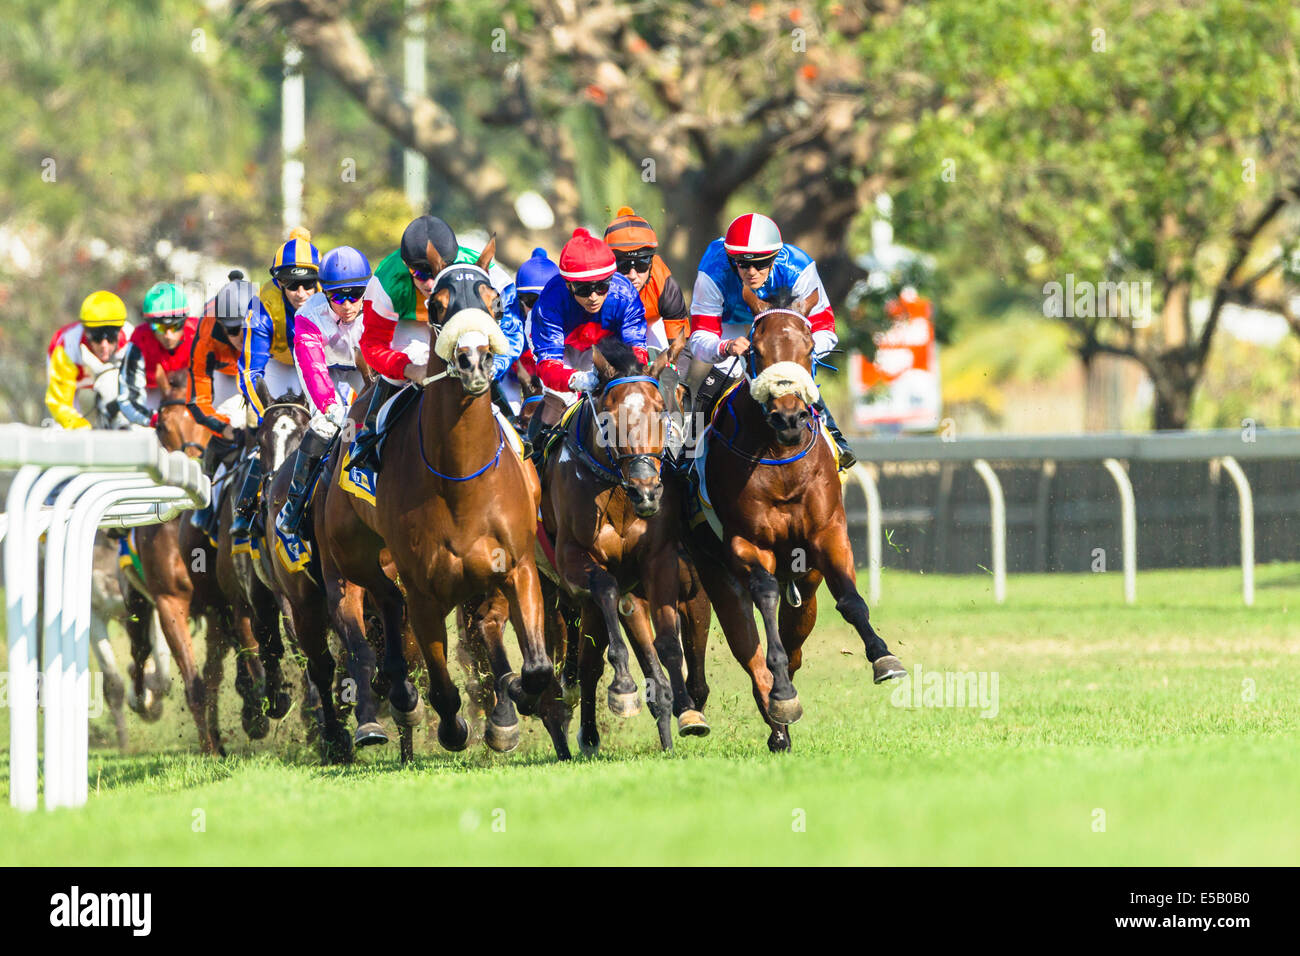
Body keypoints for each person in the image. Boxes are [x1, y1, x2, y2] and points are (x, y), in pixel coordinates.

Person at [687, 212, 857, 469]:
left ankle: (836, 438)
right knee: (717, 376)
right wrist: (725, 347)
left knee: (793, 370)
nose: (752, 272)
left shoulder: (798, 268)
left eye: (761, 263)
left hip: (782, 324)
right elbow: (699, 338)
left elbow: (826, 329)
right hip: (729, 322)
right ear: (731, 259)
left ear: (775, 257)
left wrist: (799, 353)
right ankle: (686, 456)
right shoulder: (714, 270)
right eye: (743, 264)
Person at [349, 214, 460, 472]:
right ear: (408, 268)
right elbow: (372, 346)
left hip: (453, 319)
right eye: (421, 274)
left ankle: (513, 425)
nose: (431, 283)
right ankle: (367, 438)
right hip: (405, 325)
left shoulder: (470, 266)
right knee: (408, 366)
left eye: (439, 272)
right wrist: (409, 370)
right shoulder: (387, 281)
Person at [525, 228, 648, 456]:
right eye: (583, 289)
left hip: (605, 343)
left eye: (601, 287)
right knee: (559, 398)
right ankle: (535, 459)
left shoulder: (625, 294)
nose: (593, 297)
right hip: (563, 346)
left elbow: (637, 351)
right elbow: (548, 367)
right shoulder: (549, 302)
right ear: (568, 285)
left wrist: (620, 374)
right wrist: (577, 379)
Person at [275, 246, 372, 536]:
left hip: (361, 362)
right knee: (329, 422)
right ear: (324, 293)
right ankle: (294, 502)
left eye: (355, 293)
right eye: (337, 296)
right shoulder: (308, 316)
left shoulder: (379, 305)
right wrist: (330, 405)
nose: (347, 304)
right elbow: (315, 370)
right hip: (324, 366)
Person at [230, 227, 321, 535]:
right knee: (271, 434)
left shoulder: (330, 297)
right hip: (280, 366)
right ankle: (244, 510)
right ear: (277, 282)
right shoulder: (262, 306)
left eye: (308, 283)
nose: (301, 292)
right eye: (290, 283)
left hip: (320, 362)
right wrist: (266, 415)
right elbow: (250, 371)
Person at [187, 270, 259, 538]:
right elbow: (197, 400)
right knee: (230, 428)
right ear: (219, 326)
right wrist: (224, 428)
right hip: (225, 374)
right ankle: (207, 505)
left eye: (245, 327)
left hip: (260, 366)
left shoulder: (268, 320)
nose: (240, 336)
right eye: (231, 330)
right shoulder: (206, 334)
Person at [603, 206, 690, 354]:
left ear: (651, 262)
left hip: (651, 325)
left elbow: (682, 346)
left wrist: (673, 373)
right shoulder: (598, 283)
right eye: (623, 265)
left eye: (641, 264)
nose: (632, 274)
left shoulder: (664, 283)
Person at [45, 291, 131, 430]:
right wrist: (84, 431)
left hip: (112, 378)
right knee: (63, 428)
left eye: (111, 336)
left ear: (120, 330)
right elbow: (60, 404)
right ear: (85, 331)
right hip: (73, 378)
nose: (104, 345)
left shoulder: (132, 341)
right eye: (97, 336)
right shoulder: (66, 347)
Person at [118, 283, 198, 426]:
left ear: (184, 320)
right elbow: (128, 399)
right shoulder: (139, 340)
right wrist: (156, 421)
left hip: (194, 394)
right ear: (149, 325)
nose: (168, 335)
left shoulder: (199, 334)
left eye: (175, 326)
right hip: (152, 394)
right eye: (160, 327)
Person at [496, 247, 558, 412]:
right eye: (531, 300)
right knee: (513, 411)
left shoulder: (566, 309)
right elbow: (505, 349)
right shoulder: (507, 310)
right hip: (512, 376)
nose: (538, 308)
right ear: (519, 299)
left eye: (545, 300)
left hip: (552, 373)